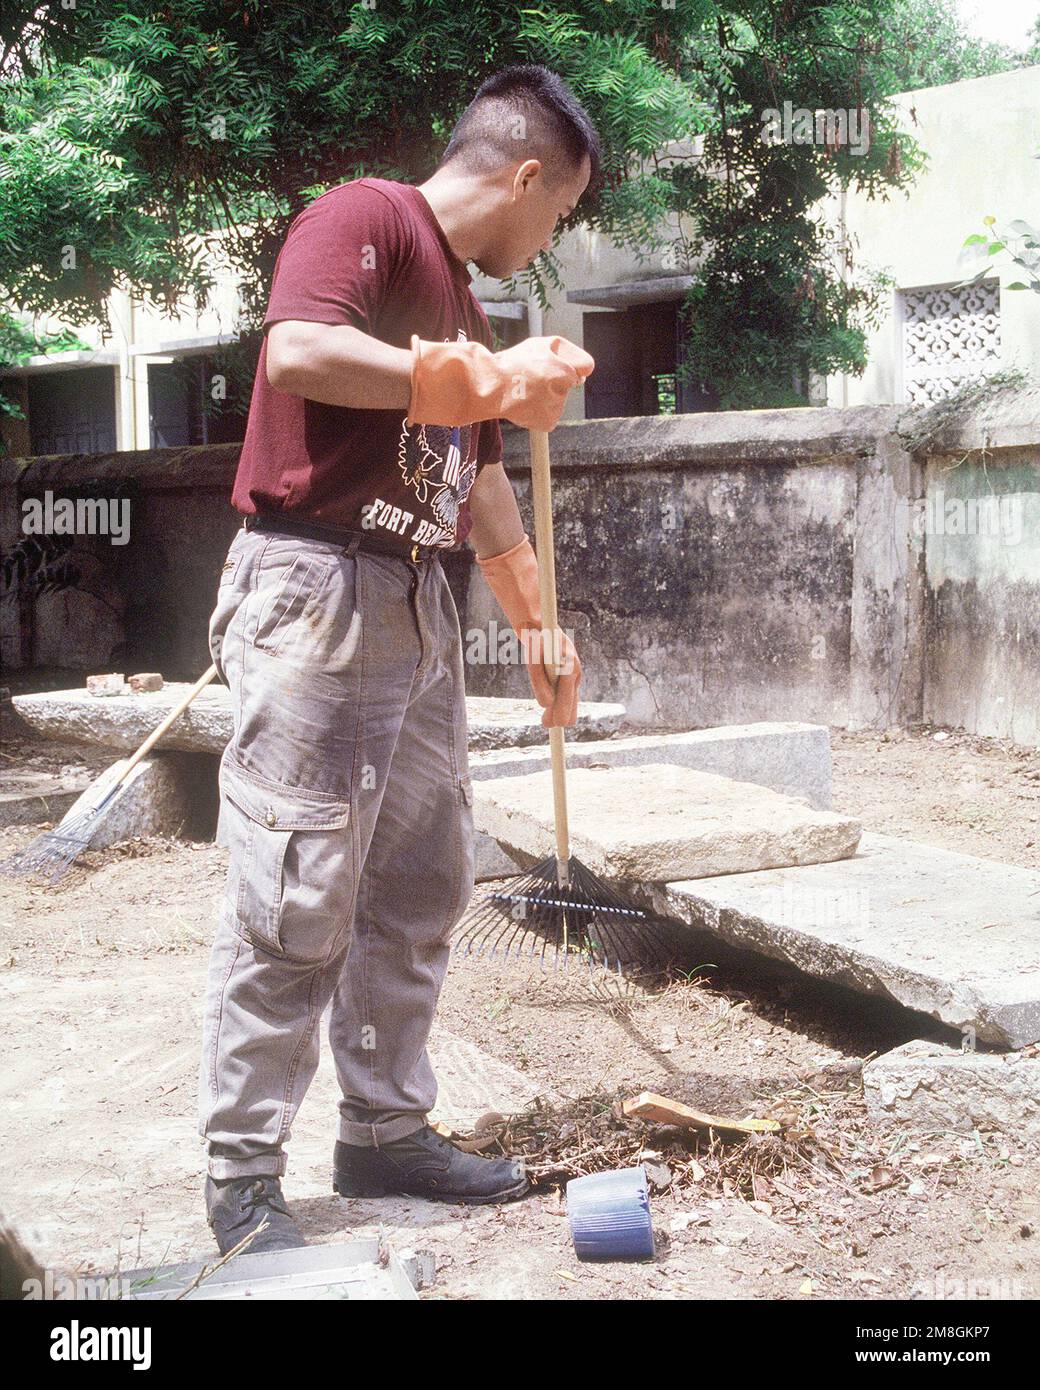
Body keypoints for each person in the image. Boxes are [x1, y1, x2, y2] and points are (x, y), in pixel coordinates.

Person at [197, 64, 599, 1254]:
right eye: (560, 213)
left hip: (418, 607)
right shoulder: (366, 216)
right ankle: (243, 1174)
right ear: (525, 176)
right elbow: (297, 355)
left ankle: (382, 1126)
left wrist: (534, 626)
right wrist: (469, 377)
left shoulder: (468, 313)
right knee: (298, 886)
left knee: (421, 882)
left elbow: (477, 489)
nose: (550, 237)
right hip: (316, 589)